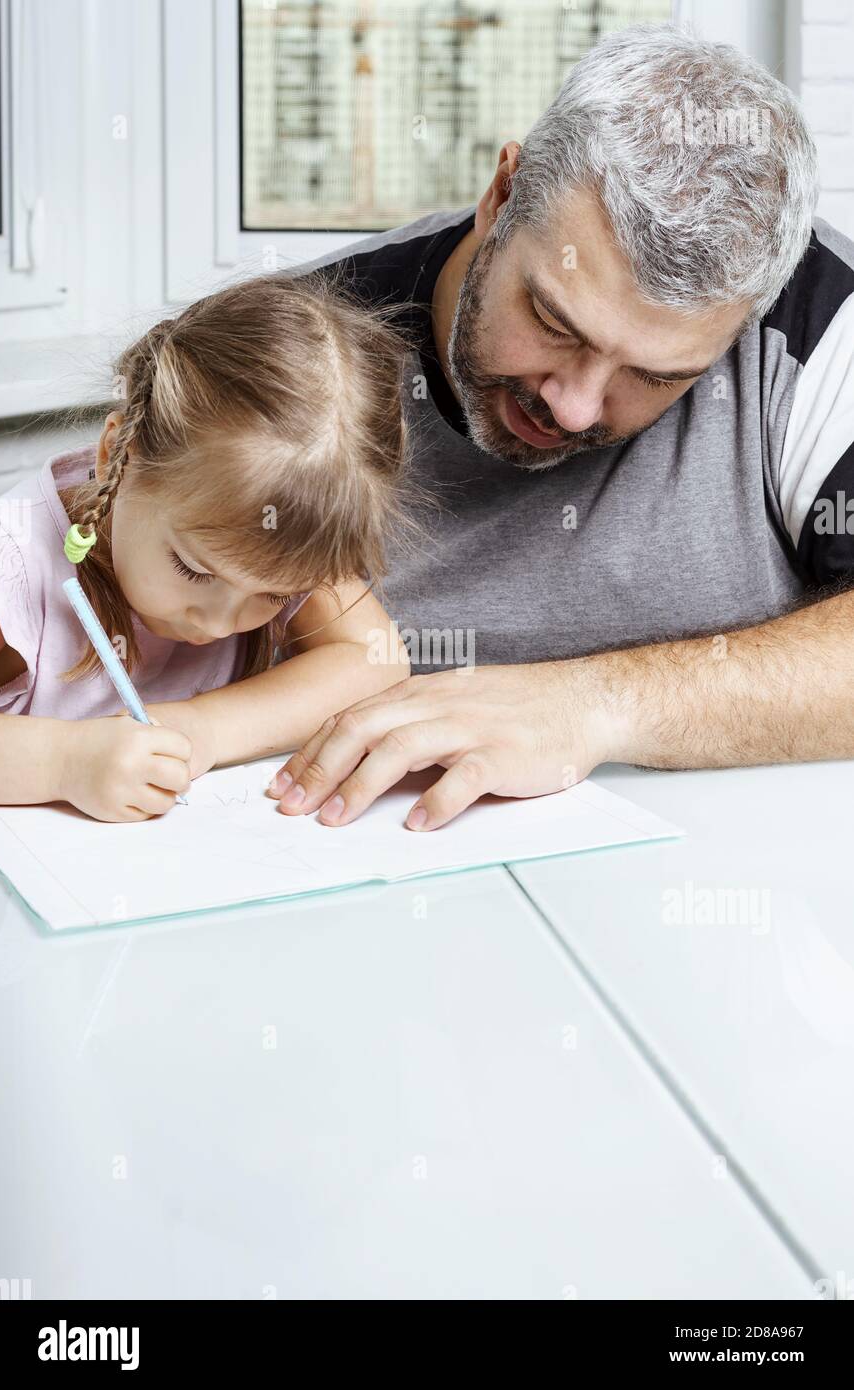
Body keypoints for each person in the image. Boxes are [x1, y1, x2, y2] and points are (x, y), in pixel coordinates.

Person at [265, 23, 854, 833]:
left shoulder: (822, 325)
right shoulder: (287, 347)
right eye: (553, 320)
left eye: (657, 375)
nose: (573, 406)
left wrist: (595, 705)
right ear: (502, 197)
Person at [0, 273, 414, 821]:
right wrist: (61, 763)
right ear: (118, 454)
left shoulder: (278, 536)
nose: (218, 625)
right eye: (192, 571)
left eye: (274, 596)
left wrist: (206, 728)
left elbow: (375, 660)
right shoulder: (10, 570)